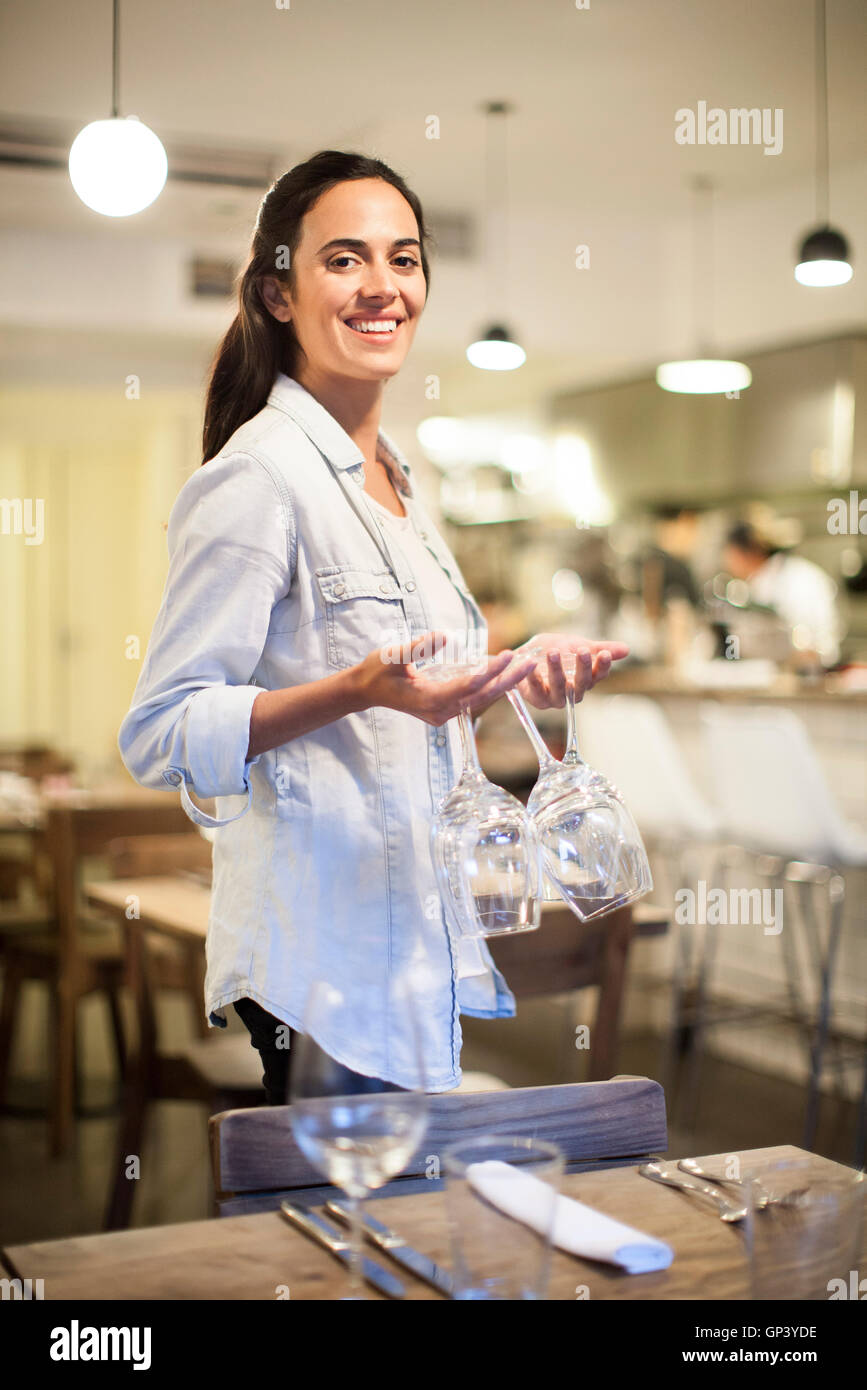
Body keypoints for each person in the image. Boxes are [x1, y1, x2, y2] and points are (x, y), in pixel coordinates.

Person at [118, 149, 628, 1103]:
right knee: (335, 1242)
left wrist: (516, 670)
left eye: (404, 258)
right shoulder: (257, 477)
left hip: (411, 934)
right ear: (279, 293)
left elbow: (414, 712)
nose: (381, 286)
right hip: (320, 956)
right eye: (343, 259)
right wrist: (352, 691)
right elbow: (161, 731)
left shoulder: (399, 477)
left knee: (388, 1239)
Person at [721, 521, 843, 667]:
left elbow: (806, 645)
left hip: (811, 671)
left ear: (744, 553)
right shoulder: (770, 578)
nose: (728, 564)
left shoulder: (792, 580)